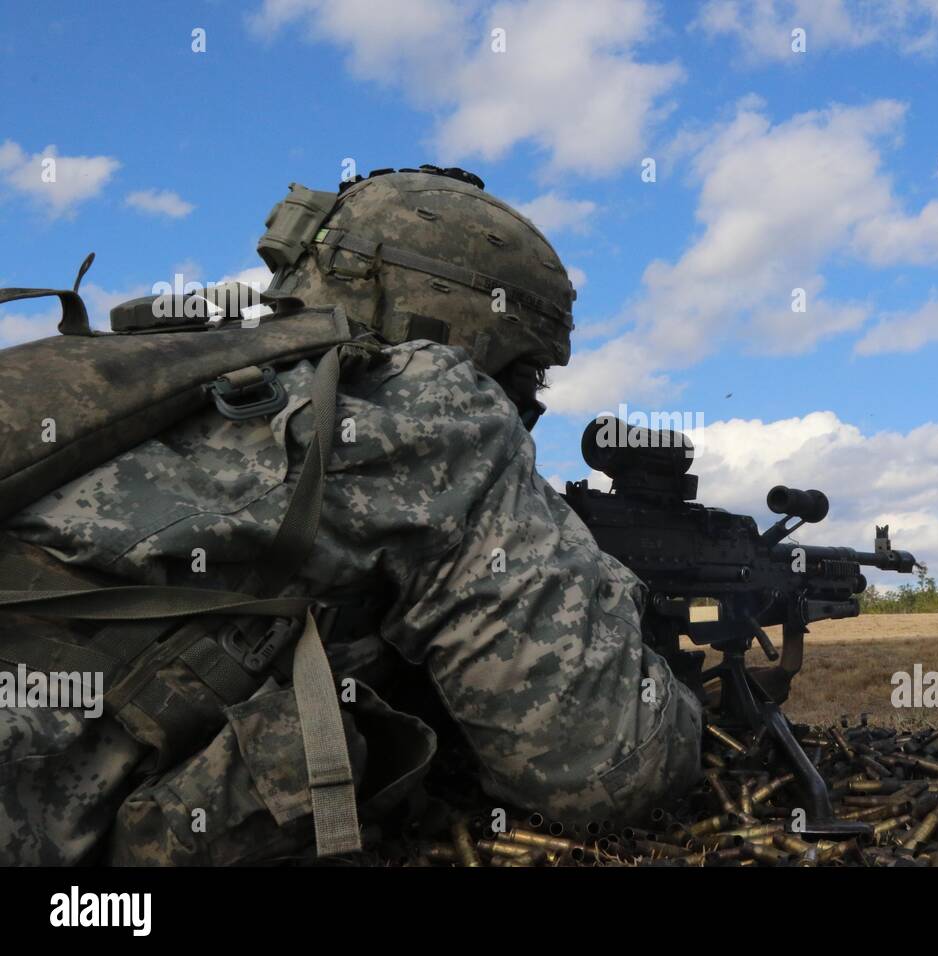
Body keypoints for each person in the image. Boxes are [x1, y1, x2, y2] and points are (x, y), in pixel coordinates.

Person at [0, 165, 702, 865]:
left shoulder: (169, 379)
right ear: (452, 314)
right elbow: (602, 769)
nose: (528, 405)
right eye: (525, 372)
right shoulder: (432, 399)